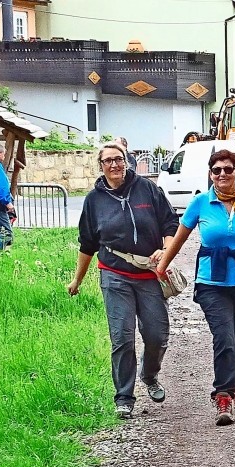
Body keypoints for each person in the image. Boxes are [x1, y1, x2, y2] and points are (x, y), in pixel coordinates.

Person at [156, 148, 235, 426]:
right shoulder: (200, 204)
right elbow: (179, 239)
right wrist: (162, 265)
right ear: (210, 174)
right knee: (224, 337)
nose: (222, 174)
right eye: (216, 170)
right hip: (212, 283)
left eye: (228, 169)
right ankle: (223, 395)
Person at [68, 142, 178, 420]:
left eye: (119, 159)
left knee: (157, 335)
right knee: (122, 338)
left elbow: (170, 224)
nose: (115, 165)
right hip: (114, 274)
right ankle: (124, 397)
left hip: (149, 274)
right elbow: (87, 243)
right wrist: (77, 280)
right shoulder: (94, 200)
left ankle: (149, 375)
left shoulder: (147, 189)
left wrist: (164, 251)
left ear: (127, 161)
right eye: (108, 161)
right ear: (101, 166)